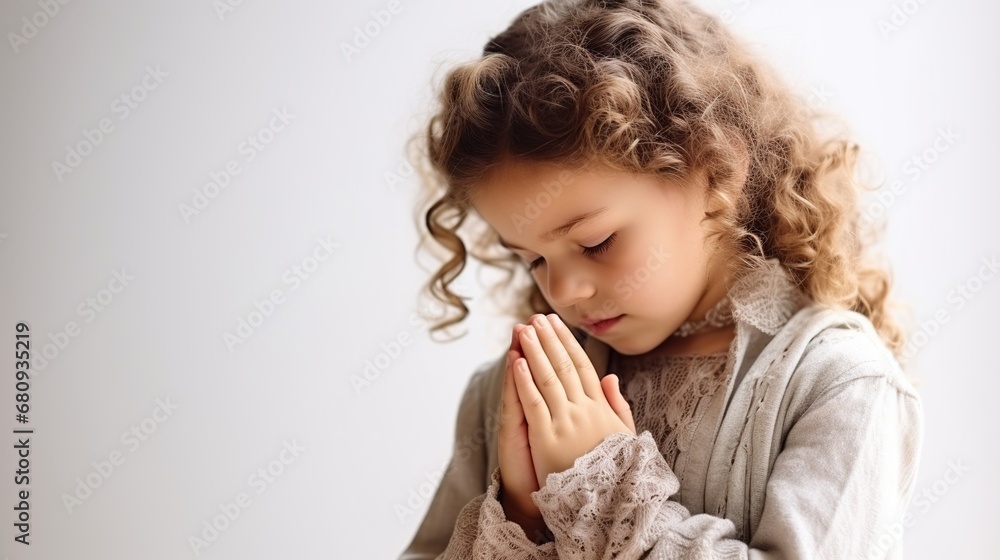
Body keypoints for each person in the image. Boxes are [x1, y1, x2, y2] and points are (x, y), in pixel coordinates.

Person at [399, 0, 924, 558]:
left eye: (596, 242)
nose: (563, 290)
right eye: (532, 259)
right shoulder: (518, 397)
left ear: (717, 174)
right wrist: (523, 518)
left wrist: (600, 496)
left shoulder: (838, 385)